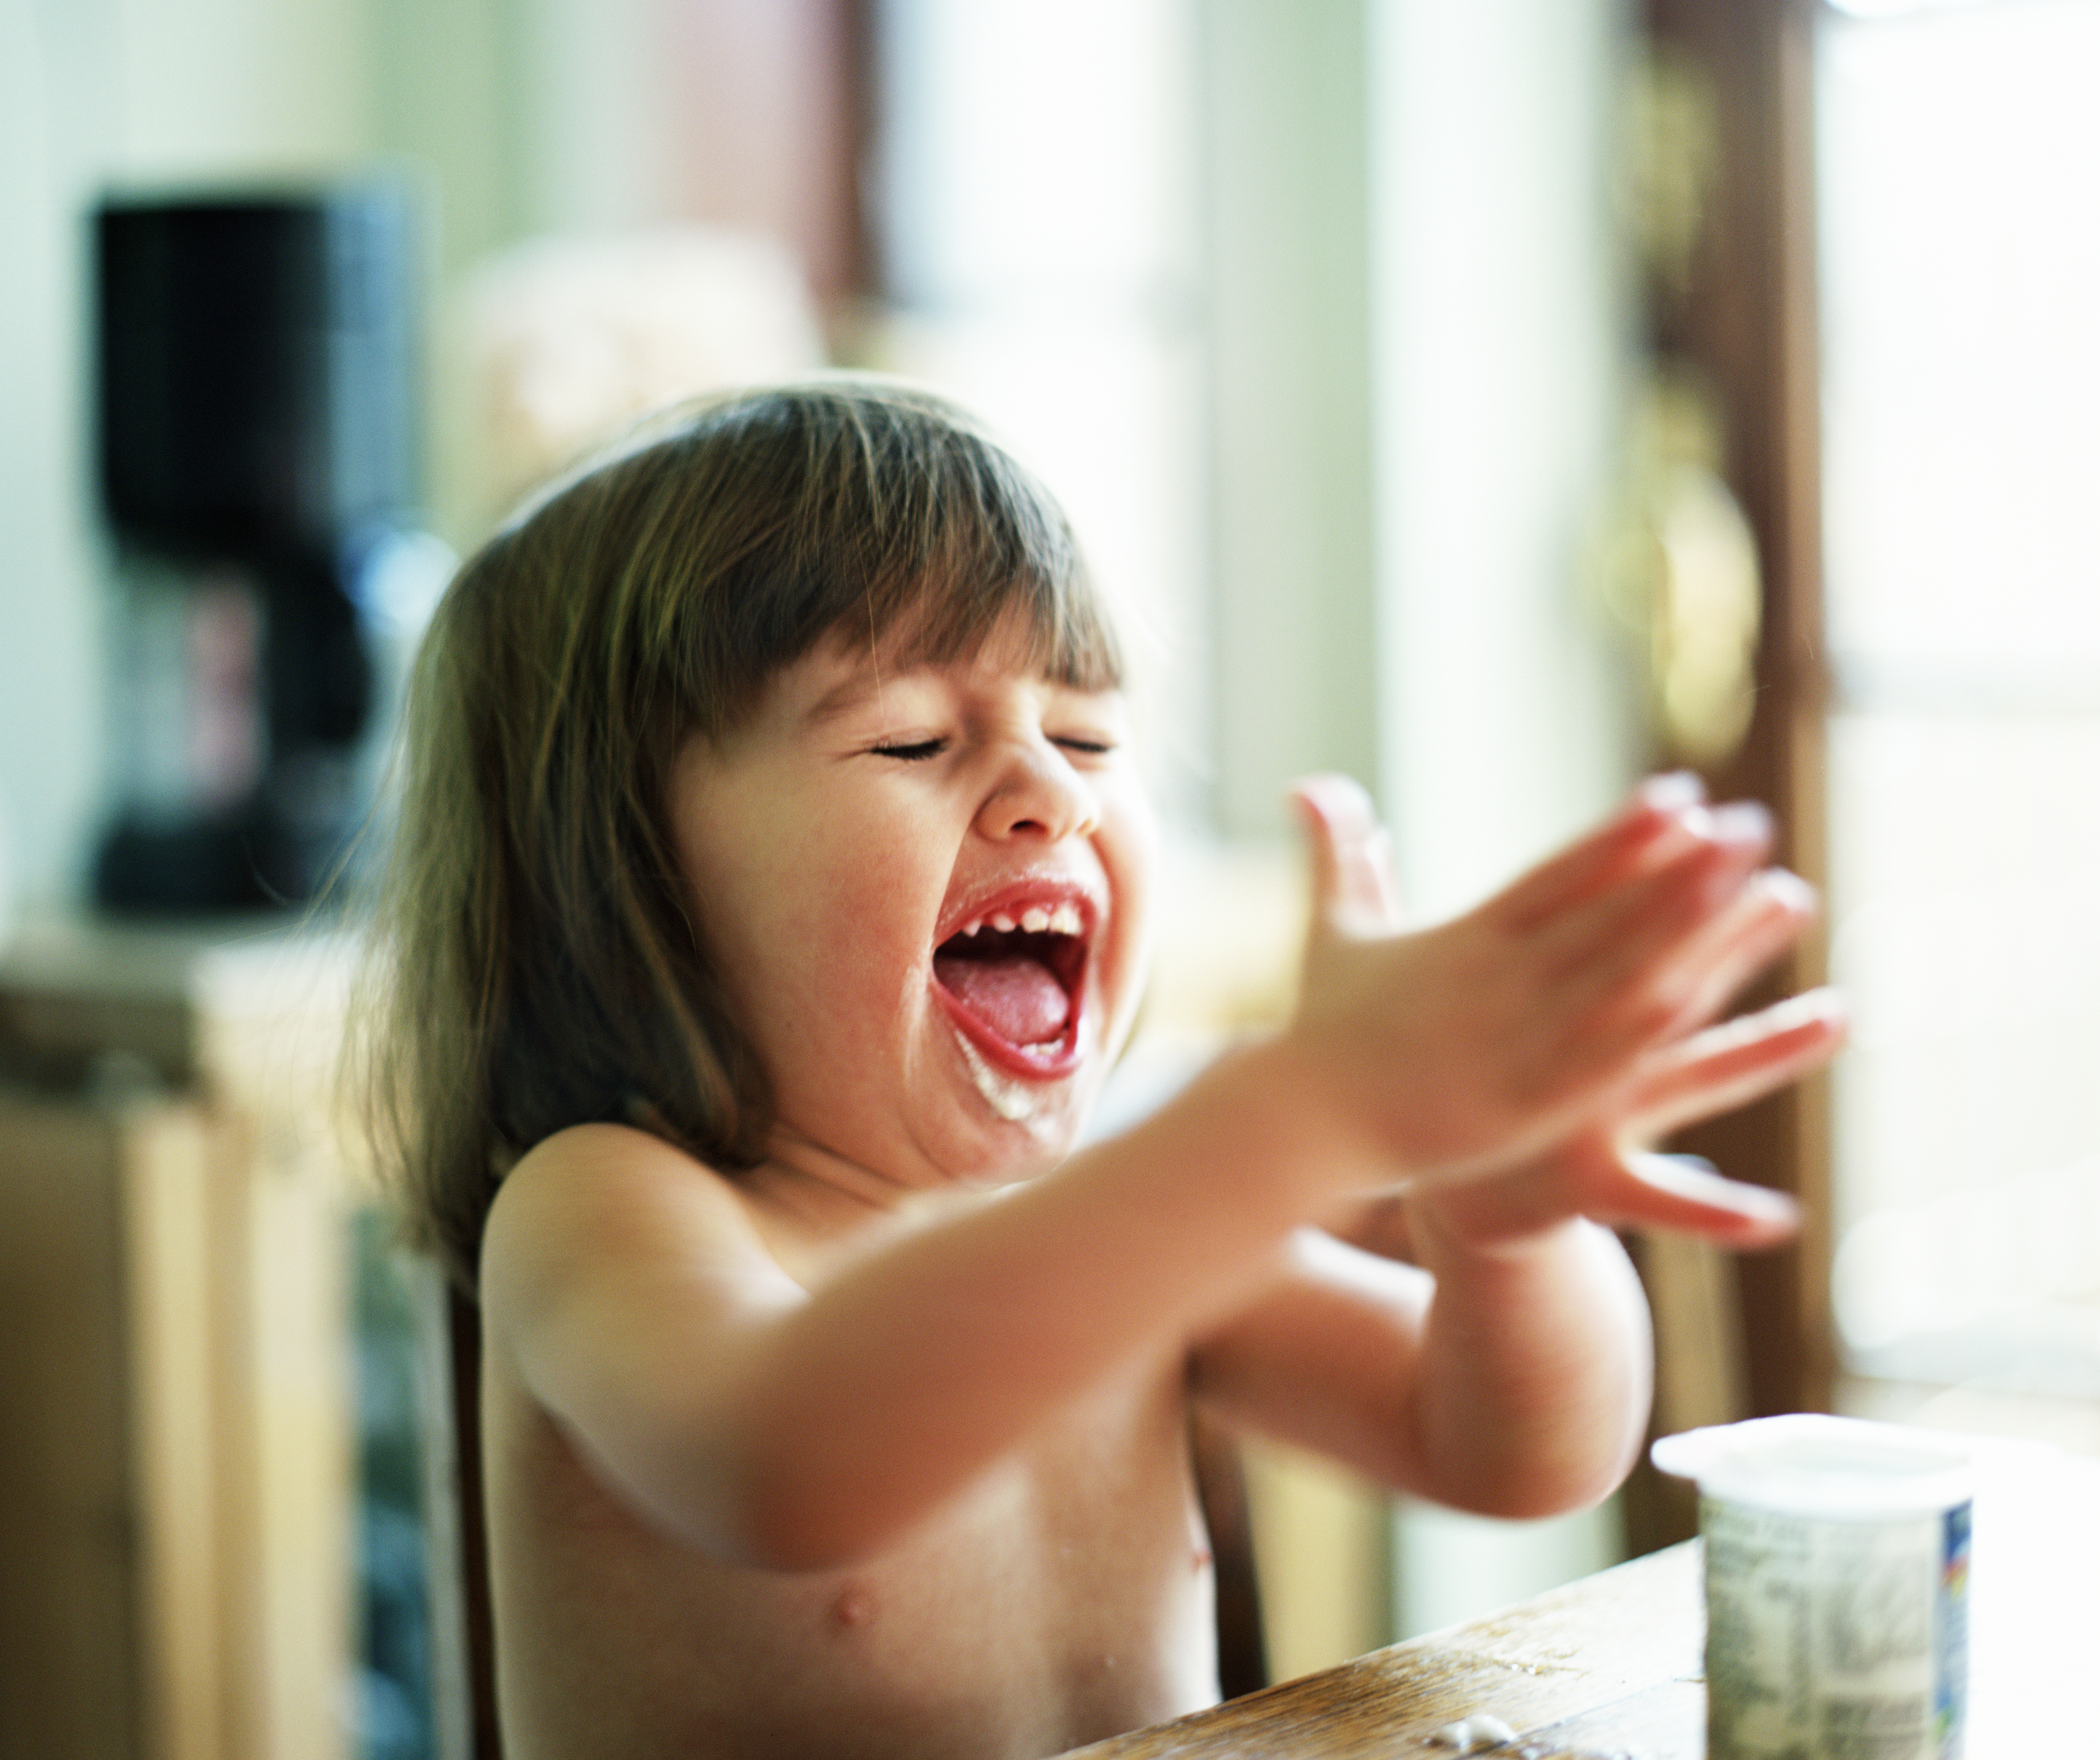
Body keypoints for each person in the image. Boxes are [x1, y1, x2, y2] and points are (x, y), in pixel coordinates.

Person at [361, 378, 1842, 1760]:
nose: (1052, 790)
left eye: (1085, 733)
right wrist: (1290, 1116)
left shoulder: (1112, 1209)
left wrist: (1503, 1228)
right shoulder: (601, 1210)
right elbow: (782, 1459)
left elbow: (1519, 1449)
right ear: (622, 873)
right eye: (910, 739)